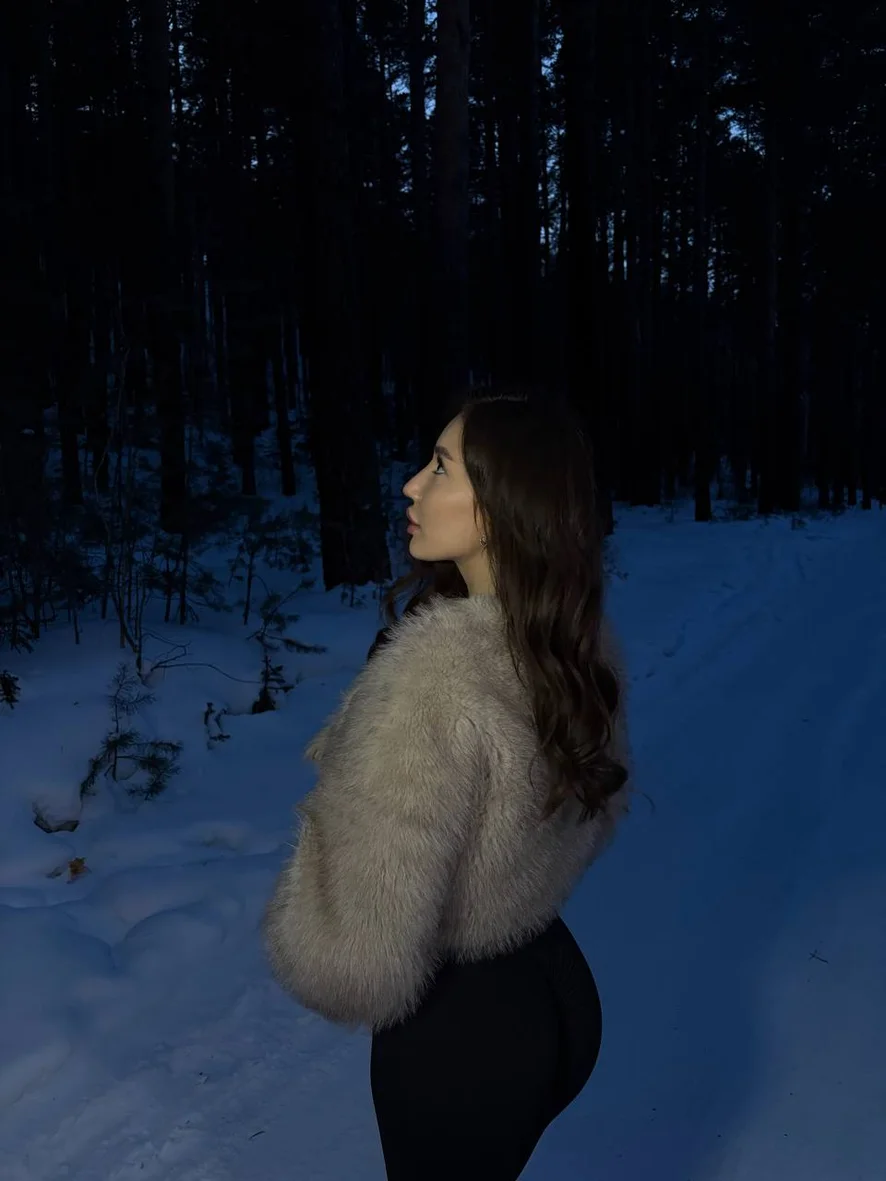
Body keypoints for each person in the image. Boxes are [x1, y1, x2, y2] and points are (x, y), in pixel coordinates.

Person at [264, 390, 631, 1180]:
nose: (410, 484)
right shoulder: (569, 637)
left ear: (501, 505)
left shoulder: (432, 676)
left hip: (460, 1036)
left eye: (439, 467)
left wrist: (319, 852)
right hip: (554, 987)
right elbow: (593, 818)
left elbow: (354, 957)